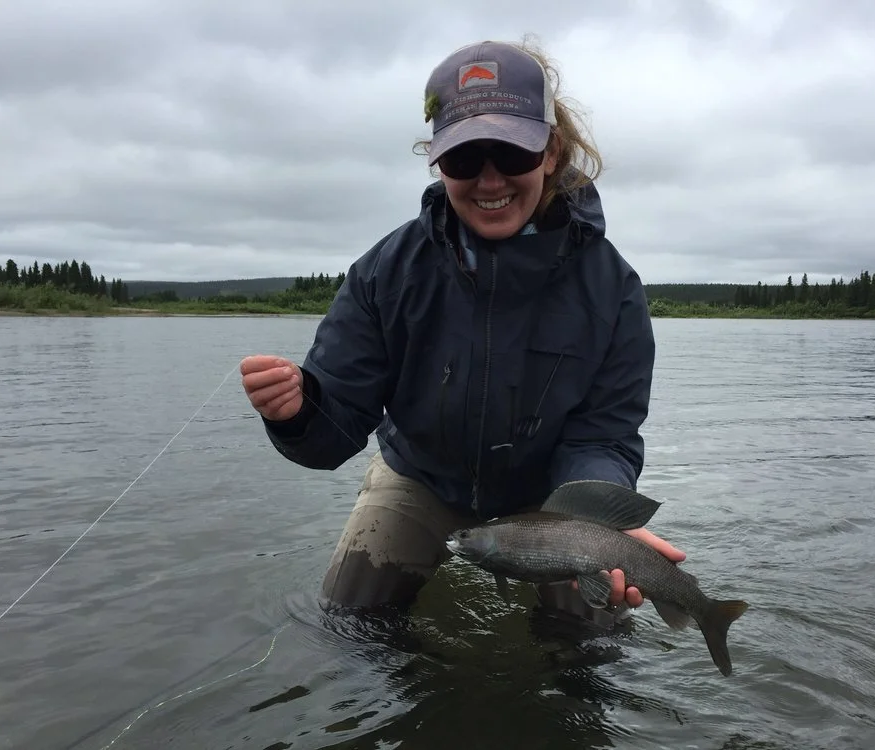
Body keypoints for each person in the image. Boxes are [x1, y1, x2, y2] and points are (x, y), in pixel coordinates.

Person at [240, 39, 685, 627]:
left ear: (551, 153)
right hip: (420, 479)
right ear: (436, 161)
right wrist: (298, 410)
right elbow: (334, 430)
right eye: (464, 159)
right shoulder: (386, 273)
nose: (489, 179)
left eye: (512, 152)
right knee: (350, 623)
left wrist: (599, 528)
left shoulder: (614, 290)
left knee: (593, 644)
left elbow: (603, 436)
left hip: (552, 500)